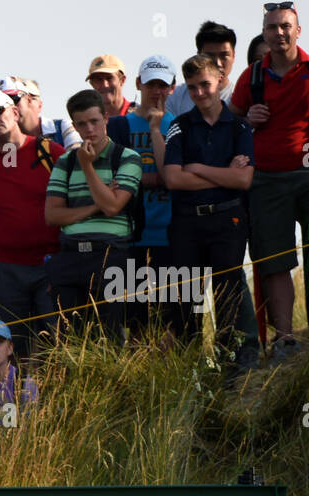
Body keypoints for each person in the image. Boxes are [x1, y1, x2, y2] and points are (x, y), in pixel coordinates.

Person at [231, 2, 309, 360]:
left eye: (285, 27)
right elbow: (231, 123)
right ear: (263, 33)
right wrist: (249, 119)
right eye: (271, 28)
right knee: (274, 257)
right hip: (266, 176)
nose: (278, 33)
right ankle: (285, 339)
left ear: (298, 31)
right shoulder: (252, 77)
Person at [162, 54, 258, 365]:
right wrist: (222, 174)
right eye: (192, 88)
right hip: (187, 223)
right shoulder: (179, 125)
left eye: (205, 85)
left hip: (228, 219)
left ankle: (231, 366)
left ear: (219, 82)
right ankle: (189, 368)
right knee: (185, 300)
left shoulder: (239, 127)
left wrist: (200, 168)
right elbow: (173, 178)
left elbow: (243, 179)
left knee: (227, 295)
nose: (200, 93)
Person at [0, 91, 64, 357]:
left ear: (15, 113)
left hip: (50, 267)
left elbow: (74, 205)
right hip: (5, 272)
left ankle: (60, 399)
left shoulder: (50, 153)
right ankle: (16, 398)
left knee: (58, 345)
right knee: (12, 351)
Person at [44, 89, 142, 335]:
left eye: (94, 121)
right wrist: (96, 204)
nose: (89, 129)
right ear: (74, 126)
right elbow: (52, 216)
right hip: (70, 255)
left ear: (106, 118)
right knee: (70, 338)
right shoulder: (64, 163)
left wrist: (87, 166)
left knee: (111, 333)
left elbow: (112, 207)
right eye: (82, 124)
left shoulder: (126, 158)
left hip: (111, 253)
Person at [107, 57, 184, 334]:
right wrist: (152, 179)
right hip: (131, 234)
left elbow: (170, 179)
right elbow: (112, 181)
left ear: (173, 87)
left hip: (172, 232)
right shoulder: (117, 126)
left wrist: (154, 131)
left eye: (163, 85)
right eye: (151, 84)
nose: (156, 91)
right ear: (138, 84)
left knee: (175, 316)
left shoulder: (180, 126)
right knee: (135, 318)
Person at [167, 22, 241, 117]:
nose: (218, 63)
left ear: (233, 55)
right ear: (198, 55)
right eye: (210, 56)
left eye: (224, 56)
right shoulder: (175, 97)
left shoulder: (241, 97)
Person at [0, 78, 82, 149]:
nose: (10, 108)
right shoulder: (7, 145)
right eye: (2, 105)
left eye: (14, 99)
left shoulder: (63, 127)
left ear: (28, 100)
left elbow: (76, 163)